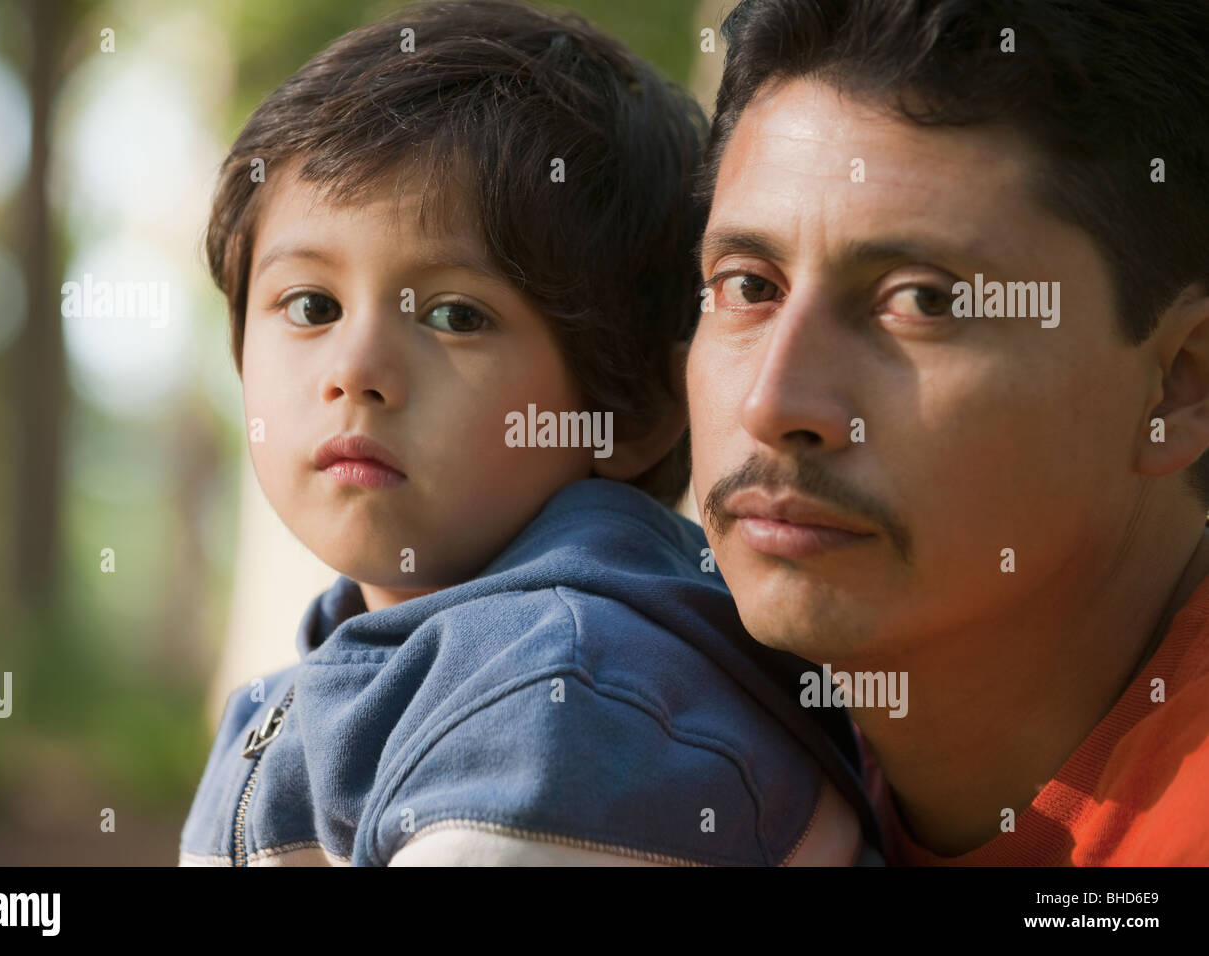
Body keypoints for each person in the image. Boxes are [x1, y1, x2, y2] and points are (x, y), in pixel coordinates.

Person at [180, 0, 875, 866]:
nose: (355, 369)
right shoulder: (304, 692)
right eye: (311, 306)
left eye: (455, 316)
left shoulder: (579, 697)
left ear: (627, 414)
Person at [687, 0, 1209, 864]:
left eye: (922, 301)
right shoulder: (653, 730)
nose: (775, 404)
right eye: (749, 286)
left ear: (1179, 387)